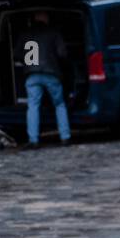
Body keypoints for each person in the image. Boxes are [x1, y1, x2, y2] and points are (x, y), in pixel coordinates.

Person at [18, 12, 71, 148]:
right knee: (59, 104)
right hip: (51, 73)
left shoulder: (25, 34)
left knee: (33, 106)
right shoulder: (53, 32)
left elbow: (16, 54)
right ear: (44, 18)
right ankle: (65, 137)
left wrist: (28, 62)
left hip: (31, 74)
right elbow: (62, 53)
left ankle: (33, 139)